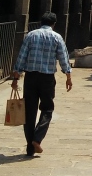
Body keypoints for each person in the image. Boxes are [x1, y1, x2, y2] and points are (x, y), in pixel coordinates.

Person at [12, 12, 72, 157]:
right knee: (47, 109)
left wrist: (16, 77)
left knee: (29, 112)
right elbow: (63, 58)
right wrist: (68, 76)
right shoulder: (57, 37)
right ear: (54, 24)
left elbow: (22, 57)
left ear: (41, 22)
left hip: (31, 77)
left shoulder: (31, 35)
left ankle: (30, 147)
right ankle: (37, 138)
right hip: (47, 79)